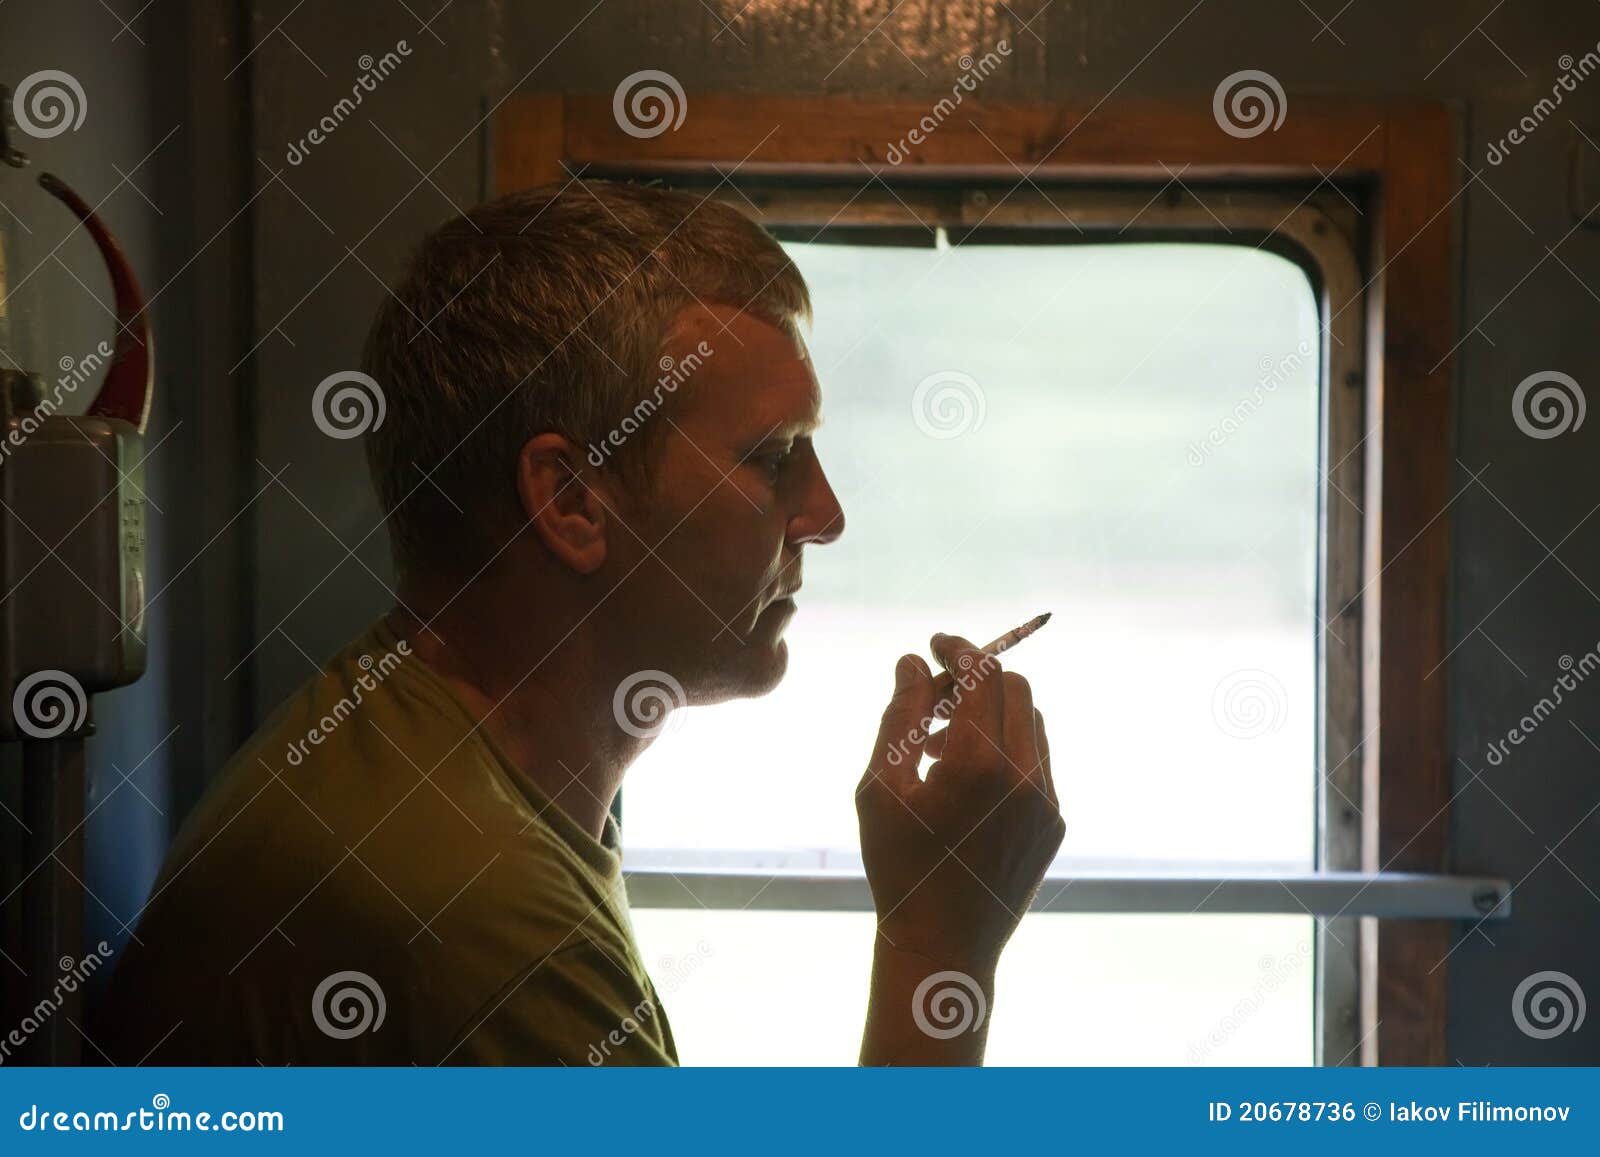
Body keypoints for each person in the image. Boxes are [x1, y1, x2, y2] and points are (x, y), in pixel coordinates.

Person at [96, 180, 1064, 1065]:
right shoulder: (476, 914)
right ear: (570, 501)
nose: (824, 513)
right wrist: (939, 943)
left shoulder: (427, 757)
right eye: (775, 457)